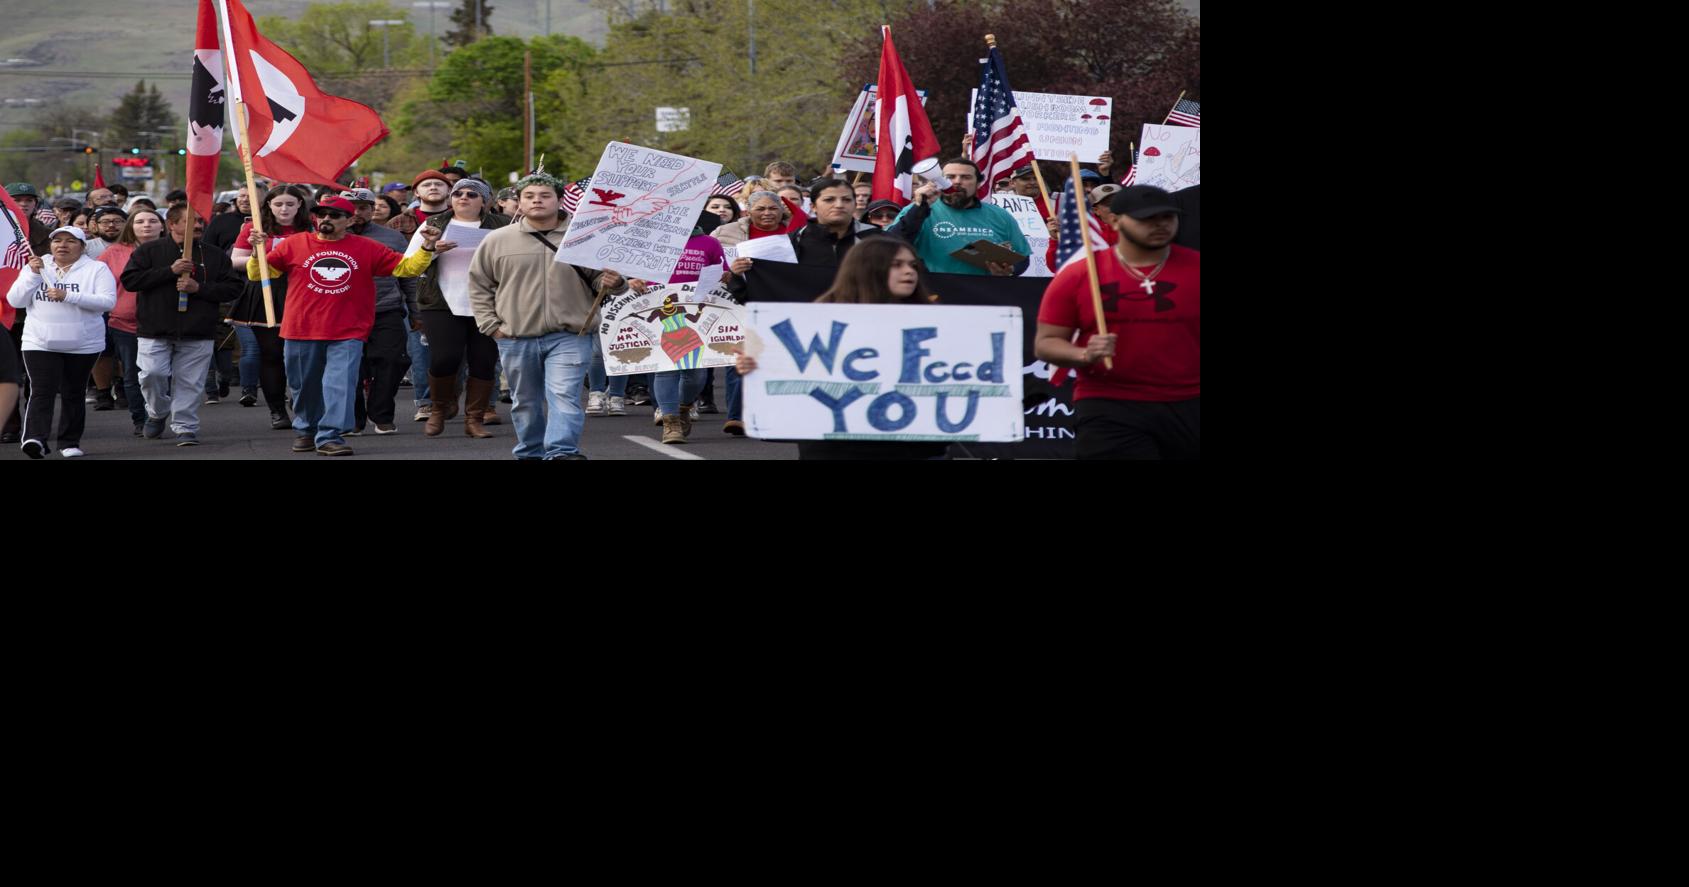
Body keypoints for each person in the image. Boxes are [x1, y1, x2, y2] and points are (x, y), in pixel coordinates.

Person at [248, 195, 440, 456]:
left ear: (349, 220)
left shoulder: (367, 247)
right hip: (301, 328)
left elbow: (406, 268)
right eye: (322, 214)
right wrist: (256, 251)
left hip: (348, 330)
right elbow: (258, 274)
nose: (326, 219)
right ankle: (306, 429)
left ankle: (330, 435)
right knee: (303, 386)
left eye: (334, 215)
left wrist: (427, 247)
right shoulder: (295, 244)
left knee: (340, 384)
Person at [733, 237, 948, 460]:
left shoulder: (936, 320)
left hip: (915, 446)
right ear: (868, 269)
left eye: (913, 265)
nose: (908, 272)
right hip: (838, 445)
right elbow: (790, 371)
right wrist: (755, 366)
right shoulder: (821, 318)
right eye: (897, 265)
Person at [466, 172, 628, 460]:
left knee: (564, 397)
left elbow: (600, 280)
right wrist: (491, 326)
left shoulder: (584, 237)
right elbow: (479, 285)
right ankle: (530, 451)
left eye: (544, 195)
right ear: (519, 203)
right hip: (515, 336)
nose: (537, 201)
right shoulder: (497, 240)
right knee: (525, 402)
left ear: (559, 200)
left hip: (571, 334)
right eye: (529, 196)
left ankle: (562, 451)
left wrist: (614, 283)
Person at [1034, 185, 1199, 460]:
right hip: (1109, 403)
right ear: (1114, 219)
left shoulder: (1195, 267)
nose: (1160, 225)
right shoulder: (1081, 274)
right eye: (1147, 219)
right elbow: (1046, 343)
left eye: (1167, 217)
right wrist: (1084, 353)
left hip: (1190, 401)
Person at [120, 204, 244, 446]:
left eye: (200, 221)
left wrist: (200, 289)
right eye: (190, 221)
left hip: (198, 331)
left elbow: (233, 288)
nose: (197, 226)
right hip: (155, 329)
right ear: (172, 224)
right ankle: (156, 411)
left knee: (189, 382)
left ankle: (185, 427)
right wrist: (169, 271)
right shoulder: (149, 251)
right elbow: (130, 281)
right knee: (151, 375)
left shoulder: (214, 254)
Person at [406, 177, 508, 438]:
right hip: (441, 302)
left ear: (484, 202)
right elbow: (408, 264)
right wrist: (432, 249)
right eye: (458, 193)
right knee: (444, 359)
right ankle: (439, 408)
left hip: (487, 304)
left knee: (483, 362)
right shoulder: (434, 224)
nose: (463, 197)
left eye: (472, 194)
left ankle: (474, 419)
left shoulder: (503, 226)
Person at [6, 227, 117, 457]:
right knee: (42, 389)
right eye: (57, 241)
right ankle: (35, 439)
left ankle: (69, 442)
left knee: (73, 391)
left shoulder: (96, 269)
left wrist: (69, 295)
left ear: (82, 246)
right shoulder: (36, 265)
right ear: (50, 245)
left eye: (70, 241)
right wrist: (33, 275)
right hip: (39, 341)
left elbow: (107, 302)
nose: (62, 245)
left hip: (83, 343)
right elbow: (15, 300)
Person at [228, 184, 312, 430]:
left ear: (299, 206)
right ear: (268, 206)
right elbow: (235, 261)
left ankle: (300, 401)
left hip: (305, 293)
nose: (284, 209)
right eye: (278, 204)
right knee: (272, 353)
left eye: (289, 204)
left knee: (301, 355)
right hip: (266, 291)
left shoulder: (312, 228)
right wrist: (259, 253)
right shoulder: (253, 228)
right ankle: (276, 409)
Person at [342, 187, 419, 436]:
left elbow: (407, 276)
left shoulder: (393, 237)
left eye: (363, 208)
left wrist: (416, 311)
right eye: (350, 208)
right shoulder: (327, 238)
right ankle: (353, 417)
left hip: (386, 309)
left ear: (373, 210)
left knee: (394, 361)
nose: (357, 213)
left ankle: (382, 414)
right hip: (344, 313)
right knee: (350, 367)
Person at [892, 158, 1031, 277]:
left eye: (966, 177)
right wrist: (919, 209)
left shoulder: (1000, 215)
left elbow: (1023, 257)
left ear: (978, 184)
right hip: (933, 291)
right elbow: (892, 243)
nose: (957, 182)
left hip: (986, 294)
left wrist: (1011, 270)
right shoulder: (918, 209)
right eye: (950, 177)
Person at [96, 207, 164, 436]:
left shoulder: (172, 250)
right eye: (140, 221)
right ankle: (140, 419)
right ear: (131, 226)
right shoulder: (113, 253)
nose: (146, 225)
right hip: (125, 323)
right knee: (133, 375)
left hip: (165, 323)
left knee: (160, 374)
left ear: (162, 226)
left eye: (152, 221)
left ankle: (160, 414)